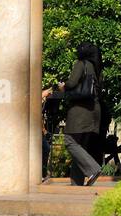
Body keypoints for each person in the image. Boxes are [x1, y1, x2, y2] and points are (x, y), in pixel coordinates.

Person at [43, 42, 104, 187]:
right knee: (80, 147)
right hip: (94, 111)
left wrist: (63, 86)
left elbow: (71, 83)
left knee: (69, 141)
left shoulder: (81, 64)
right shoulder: (97, 68)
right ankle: (76, 185)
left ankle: (93, 169)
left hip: (80, 111)